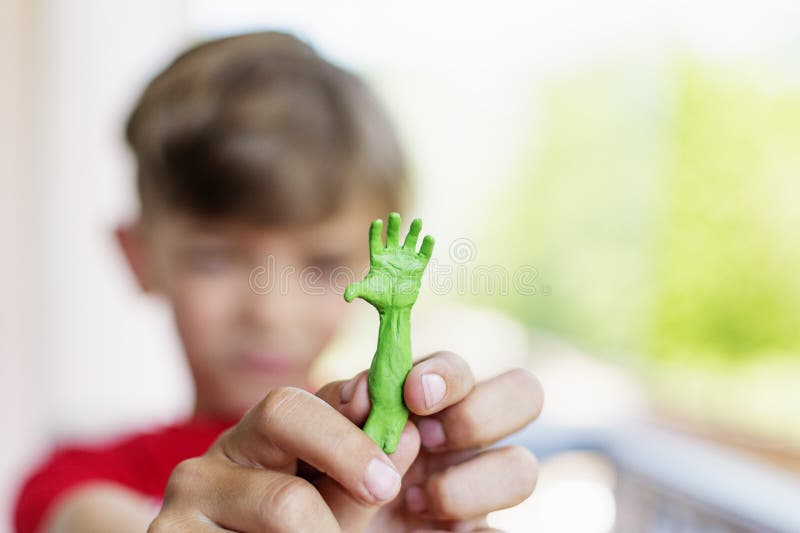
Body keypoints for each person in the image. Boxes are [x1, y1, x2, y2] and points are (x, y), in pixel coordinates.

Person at [14, 31, 543, 533]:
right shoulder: (70, 482)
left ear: (375, 263)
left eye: (321, 264)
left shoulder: (408, 473)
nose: (270, 310)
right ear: (139, 257)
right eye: (215, 258)